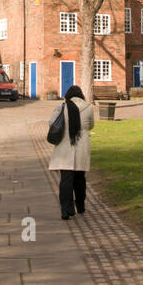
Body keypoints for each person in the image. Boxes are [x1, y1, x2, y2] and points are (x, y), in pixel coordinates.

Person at [48, 84, 94, 219]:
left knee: (66, 179)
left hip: (65, 145)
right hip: (82, 145)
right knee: (80, 178)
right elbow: (91, 125)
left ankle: (65, 209)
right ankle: (80, 205)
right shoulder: (88, 107)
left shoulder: (62, 107)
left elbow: (52, 122)